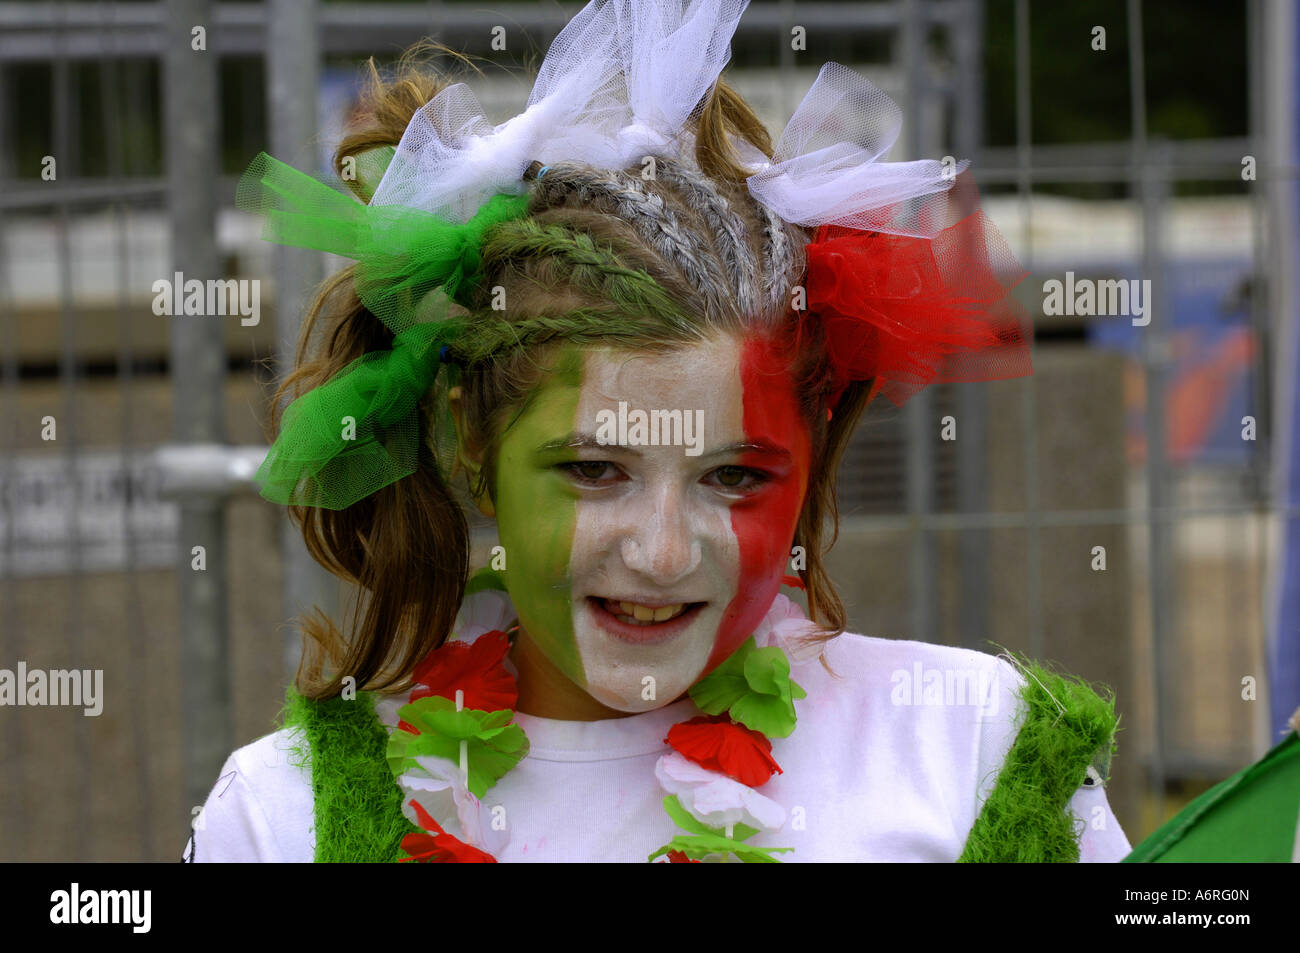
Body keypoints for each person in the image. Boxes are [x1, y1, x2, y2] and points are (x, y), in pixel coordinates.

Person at [185, 0, 1130, 863]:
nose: (664, 551)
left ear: (814, 455)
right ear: (474, 441)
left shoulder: (970, 749)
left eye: (735, 477)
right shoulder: (283, 821)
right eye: (595, 468)